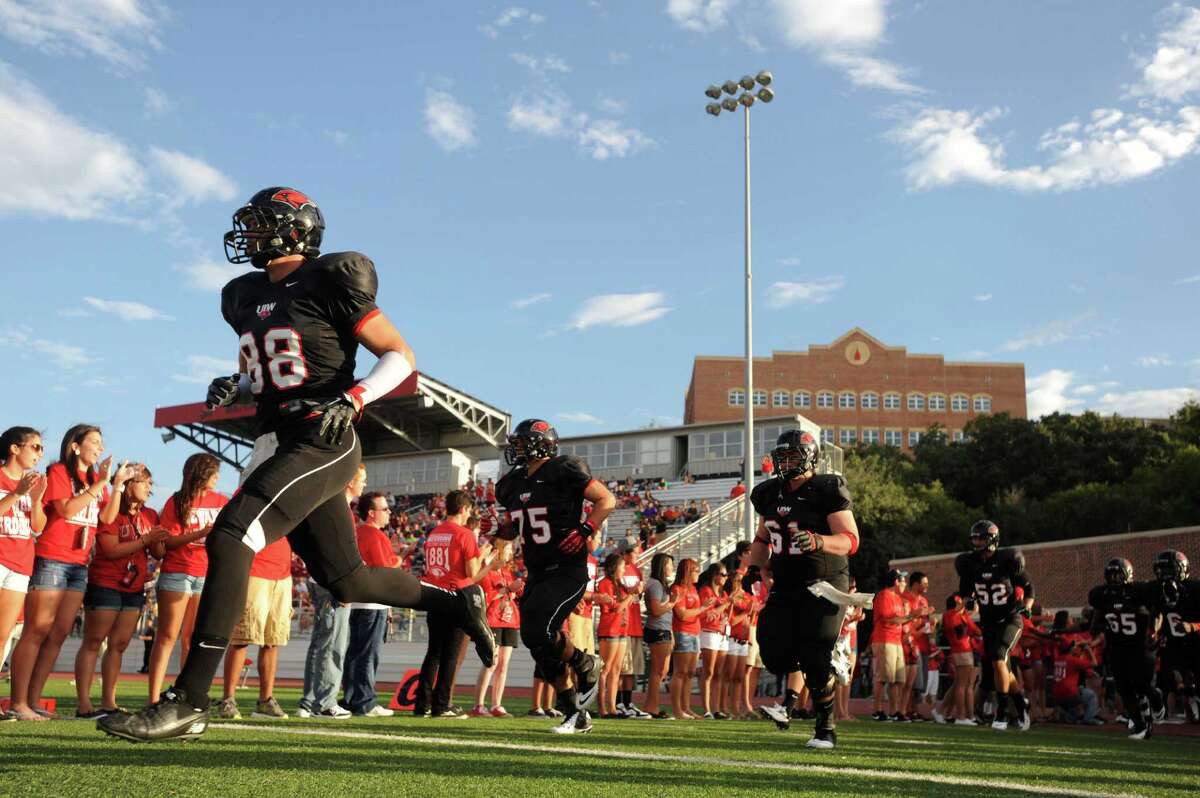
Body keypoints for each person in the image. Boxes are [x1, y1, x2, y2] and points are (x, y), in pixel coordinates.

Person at [100, 187, 494, 743]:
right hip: (277, 435)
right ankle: (455, 601)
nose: (250, 234)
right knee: (347, 580)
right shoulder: (240, 295)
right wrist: (235, 383)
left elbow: (399, 355)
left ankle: (189, 701)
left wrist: (354, 399)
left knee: (231, 538)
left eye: (261, 223)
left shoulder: (332, 276)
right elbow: (276, 364)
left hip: (321, 434)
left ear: (295, 229)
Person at [492, 418, 615, 735]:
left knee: (538, 627)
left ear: (539, 442)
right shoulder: (513, 483)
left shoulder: (563, 469)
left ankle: (585, 663)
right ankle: (575, 712)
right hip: (537, 569)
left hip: (566, 567)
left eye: (520, 441)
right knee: (536, 643)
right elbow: (517, 524)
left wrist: (587, 528)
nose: (516, 448)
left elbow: (606, 499)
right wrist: (499, 532)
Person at [11, 425, 132, 721]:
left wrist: (114, 486)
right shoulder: (59, 473)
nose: (100, 448)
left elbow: (106, 517)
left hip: (78, 565)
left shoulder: (94, 479)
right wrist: (99, 484)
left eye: (102, 443)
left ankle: (34, 700)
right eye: (94, 442)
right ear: (75, 447)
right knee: (37, 630)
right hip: (52, 559)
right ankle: (18, 701)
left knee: (60, 633)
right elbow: (65, 511)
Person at [749, 429, 860, 750]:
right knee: (772, 650)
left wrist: (819, 540)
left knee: (813, 654)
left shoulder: (827, 489)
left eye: (792, 456)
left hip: (825, 584)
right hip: (786, 583)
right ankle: (824, 662)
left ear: (811, 458)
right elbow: (761, 539)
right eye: (781, 457)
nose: (785, 463)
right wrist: (755, 568)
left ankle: (825, 726)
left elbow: (851, 539)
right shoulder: (769, 493)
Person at [76, 465, 168, 718]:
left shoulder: (149, 514)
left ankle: (109, 703)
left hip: (134, 587)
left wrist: (159, 540)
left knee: (119, 645)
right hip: (105, 582)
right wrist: (145, 541)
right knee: (94, 642)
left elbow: (158, 553)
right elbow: (110, 549)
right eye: (144, 482)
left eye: (150, 483)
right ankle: (84, 704)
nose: (149, 488)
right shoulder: (111, 511)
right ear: (127, 485)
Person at [147, 454, 224, 702]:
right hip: (178, 572)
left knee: (192, 639)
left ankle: (185, 695)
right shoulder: (177, 501)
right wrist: (199, 533)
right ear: (201, 473)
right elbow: (167, 542)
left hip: (205, 573)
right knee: (168, 636)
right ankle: (153, 699)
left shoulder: (222, 501)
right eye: (214, 472)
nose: (218, 477)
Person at [297, 464, 364, 719]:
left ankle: (310, 700)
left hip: (323, 579)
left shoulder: (331, 505)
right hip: (331, 582)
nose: (364, 485)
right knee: (333, 643)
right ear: (350, 482)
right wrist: (343, 585)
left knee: (322, 642)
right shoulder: (338, 508)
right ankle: (323, 702)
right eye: (362, 480)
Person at [954, 519, 1033, 732]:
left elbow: (1029, 588)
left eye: (980, 537)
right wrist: (968, 601)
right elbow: (964, 592)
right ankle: (1020, 703)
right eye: (975, 537)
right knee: (1003, 668)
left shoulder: (1007, 560)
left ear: (992, 539)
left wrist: (1027, 606)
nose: (976, 541)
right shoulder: (971, 564)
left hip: (1010, 618)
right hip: (988, 622)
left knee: (999, 657)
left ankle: (1002, 712)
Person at [416, 489, 485, 718]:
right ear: (464, 509)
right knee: (450, 655)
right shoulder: (464, 534)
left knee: (433, 653)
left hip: (433, 594)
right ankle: (441, 704)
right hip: (456, 596)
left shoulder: (434, 533)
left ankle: (422, 704)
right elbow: (471, 574)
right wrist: (486, 559)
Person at [215, 530, 295, 720]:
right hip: (255, 570)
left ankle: (265, 701)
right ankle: (228, 700)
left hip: (283, 574)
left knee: (272, 640)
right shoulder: (245, 499)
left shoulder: (288, 500)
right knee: (241, 637)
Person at [1087, 558, 1165, 740]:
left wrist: (1154, 630)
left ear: (1127, 575)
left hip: (1139, 647)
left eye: (1118, 574)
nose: (1114, 579)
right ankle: (1140, 726)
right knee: (1124, 688)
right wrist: (1096, 626)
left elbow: (1157, 610)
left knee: (1141, 684)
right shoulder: (1102, 595)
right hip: (1117, 647)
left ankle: (1157, 700)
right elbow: (1097, 617)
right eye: (1111, 575)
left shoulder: (1139, 591)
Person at [343, 491, 404, 717]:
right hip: (372, 603)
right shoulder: (373, 535)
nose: (389, 513)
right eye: (385, 509)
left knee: (356, 653)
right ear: (371, 513)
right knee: (368, 654)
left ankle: (351, 698)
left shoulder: (357, 532)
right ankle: (365, 701)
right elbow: (383, 570)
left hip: (359, 601)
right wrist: (398, 560)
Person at [0, 426, 47, 709]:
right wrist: (17, 494)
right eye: (35, 447)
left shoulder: (34, 482)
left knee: (3, 634)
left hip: (20, 564)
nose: (40, 454)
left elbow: (38, 527)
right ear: (14, 448)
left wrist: (37, 499)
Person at [472, 544, 522, 717]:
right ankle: (478, 705)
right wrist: (508, 589)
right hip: (493, 619)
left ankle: (496, 705)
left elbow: (510, 594)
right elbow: (488, 595)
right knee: (490, 663)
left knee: (503, 665)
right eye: (507, 549)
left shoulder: (507, 571)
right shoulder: (487, 570)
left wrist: (514, 590)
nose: (510, 552)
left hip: (509, 620)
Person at [1153, 550, 1200, 723]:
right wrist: (1155, 632)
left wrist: (1193, 626)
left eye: (1168, 569)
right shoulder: (1157, 591)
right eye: (1161, 570)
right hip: (1174, 645)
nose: (1163, 574)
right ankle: (1191, 704)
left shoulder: (1195, 589)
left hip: (1196, 643)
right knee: (1172, 680)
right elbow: (1158, 616)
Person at [669, 558, 712, 720]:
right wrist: (701, 608)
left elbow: (694, 613)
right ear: (687, 571)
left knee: (689, 673)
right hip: (683, 632)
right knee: (680, 672)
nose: (698, 574)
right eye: (695, 570)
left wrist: (706, 610)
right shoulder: (677, 588)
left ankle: (686, 708)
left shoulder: (693, 589)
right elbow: (682, 614)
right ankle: (677, 710)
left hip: (694, 632)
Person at [595, 552, 632, 719]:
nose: (624, 569)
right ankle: (602, 707)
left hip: (622, 629)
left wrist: (632, 593)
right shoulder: (605, 584)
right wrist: (631, 596)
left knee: (617, 669)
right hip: (609, 629)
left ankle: (612, 707)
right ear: (614, 567)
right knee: (606, 668)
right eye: (622, 566)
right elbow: (617, 607)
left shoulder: (621, 585)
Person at [870, 570, 911, 722]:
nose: (905, 584)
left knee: (898, 680)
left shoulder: (899, 599)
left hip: (896, 640)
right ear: (896, 581)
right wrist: (912, 615)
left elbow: (902, 621)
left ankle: (895, 711)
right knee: (882, 677)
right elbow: (890, 619)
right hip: (884, 639)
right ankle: (877, 710)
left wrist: (915, 617)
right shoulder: (884, 595)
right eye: (903, 581)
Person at [935, 593, 981, 725]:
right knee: (963, 685)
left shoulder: (958, 616)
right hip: (962, 651)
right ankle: (961, 717)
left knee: (959, 685)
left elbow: (974, 622)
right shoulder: (951, 615)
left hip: (962, 651)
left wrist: (974, 600)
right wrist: (968, 599)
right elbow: (969, 623)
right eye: (959, 602)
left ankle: (946, 712)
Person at [615, 541, 649, 718]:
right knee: (621, 668)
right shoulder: (618, 569)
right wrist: (633, 591)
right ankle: (617, 701)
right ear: (625, 553)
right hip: (622, 625)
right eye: (635, 552)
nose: (637, 554)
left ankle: (628, 702)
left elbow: (638, 594)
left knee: (632, 668)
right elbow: (620, 594)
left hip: (635, 623)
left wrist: (639, 591)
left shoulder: (637, 570)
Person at [641, 552, 676, 719]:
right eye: (669, 564)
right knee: (658, 671)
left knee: (662, 671)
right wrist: (672, 603)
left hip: (664, 629)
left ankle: (651, 705)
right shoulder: (655, 585)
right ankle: (651, 707)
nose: (672, 567)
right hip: (658, 629)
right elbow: (655, 610)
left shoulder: (660, 585)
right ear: (663, 565)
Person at [696, 563, 731, 719]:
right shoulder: (706, 591)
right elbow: (707, 615)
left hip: (722, 634)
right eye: (723, 574)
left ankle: (716, 709)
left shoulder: (723, 594)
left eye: (726, 575)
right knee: (708, 671)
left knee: (718, 673)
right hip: (709, 632)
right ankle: (706, 709)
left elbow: (722, 615)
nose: (725, 578)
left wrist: (724, 613)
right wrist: (725, 605)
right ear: (714, 575)